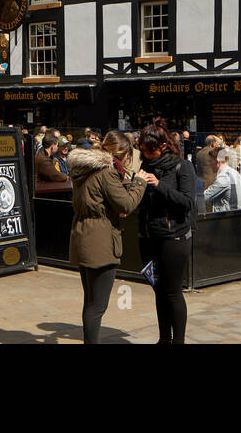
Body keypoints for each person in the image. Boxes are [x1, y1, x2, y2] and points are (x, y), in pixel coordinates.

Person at [68, 130, 150, 344]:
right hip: (100, 241)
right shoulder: (107, 172)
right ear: (122, 154)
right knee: (98, 305)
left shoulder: (85, 169)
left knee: (90, 302)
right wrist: (140, 183)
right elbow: (126, 204)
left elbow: (104, 199)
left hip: (83, 235)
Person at [136, 119, 196, 344]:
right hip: (149, 236)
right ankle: (163, 339)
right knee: (158, 291)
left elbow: (188, 202)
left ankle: (178, 341)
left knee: (172, 291)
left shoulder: (182, 166)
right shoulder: (145, 166)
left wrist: (159, 185)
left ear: (162, 146)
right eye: (142, 148)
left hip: (174, 237)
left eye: (148, 149)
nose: (144, 152)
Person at [203, 145, 241, 213]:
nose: (209, 164)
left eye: (210, 161)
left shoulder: (223, 178)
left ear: (217, 161)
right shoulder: (235, 173)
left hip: (227, 220)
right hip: (238, 217)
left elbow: (204, 197)